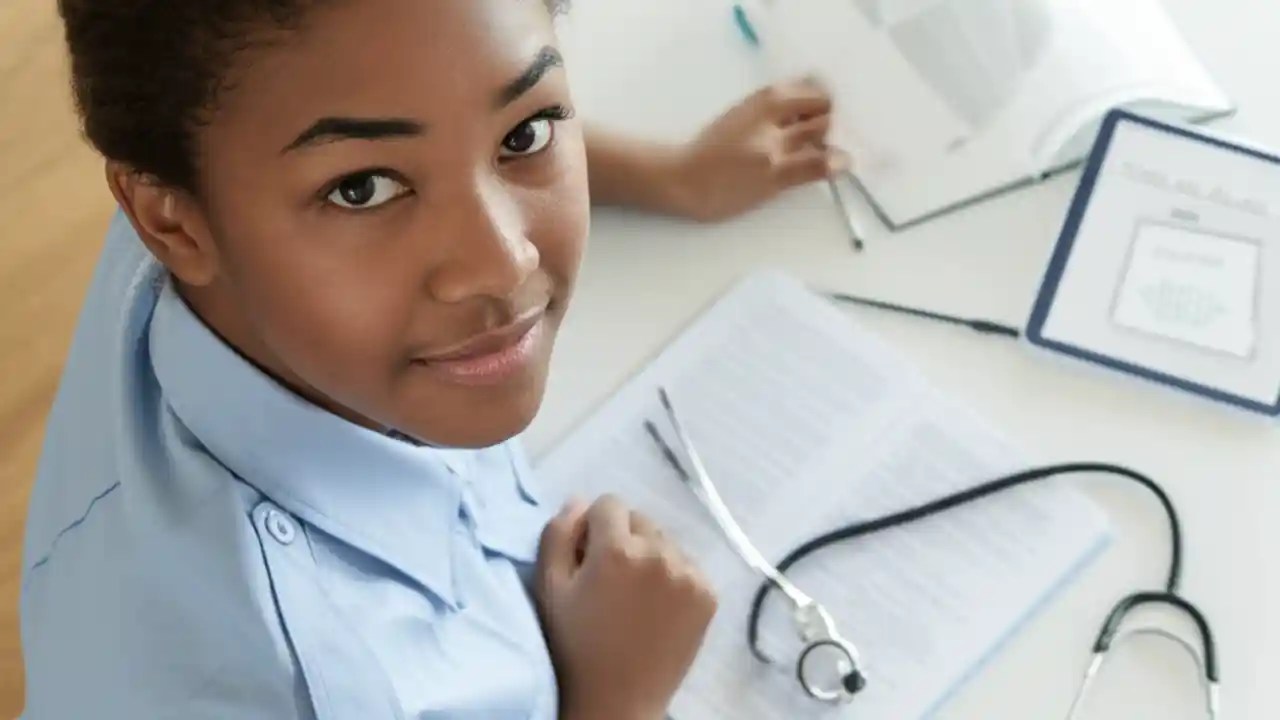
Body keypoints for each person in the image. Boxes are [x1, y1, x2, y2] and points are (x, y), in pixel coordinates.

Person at [20, 1, 844, 718]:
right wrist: (615, 698)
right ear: (170, 223)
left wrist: (675, 179)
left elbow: (432, 86)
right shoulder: (283, 685)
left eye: (524, 134)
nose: (505, 264)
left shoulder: (215, 157)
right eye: (364, 190)